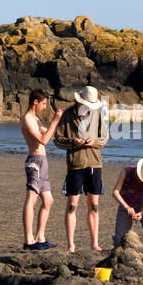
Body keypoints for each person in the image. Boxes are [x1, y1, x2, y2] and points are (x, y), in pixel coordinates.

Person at [54, 85, 109, 253]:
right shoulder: (67, 115)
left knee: (94, 205)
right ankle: (71, 245)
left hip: (94, 164)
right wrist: (73, 142)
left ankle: (95, 243)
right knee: (72, 204)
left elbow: (105, 138)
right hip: (75, 165)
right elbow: (57, 140)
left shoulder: (97, 114)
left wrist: (95, 142)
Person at [21, 88, 63, 249]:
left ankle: (40, 237)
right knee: (31, 199)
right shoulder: (28, 120)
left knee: (48, 200)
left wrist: (58, 120)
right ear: (35, 102)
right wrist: (54, 121)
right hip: (35, 162)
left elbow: (51, 135)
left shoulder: (36, 120)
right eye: (44, 104)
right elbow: (43, 140)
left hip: (43, 162)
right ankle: (28, 240)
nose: (45, 107)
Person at [112, 159, 143, 254]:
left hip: (141, 205)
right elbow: (115, 192)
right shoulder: (127, 171)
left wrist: (141, 213)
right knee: (120, 239)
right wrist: (127, 207)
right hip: (125, 204)